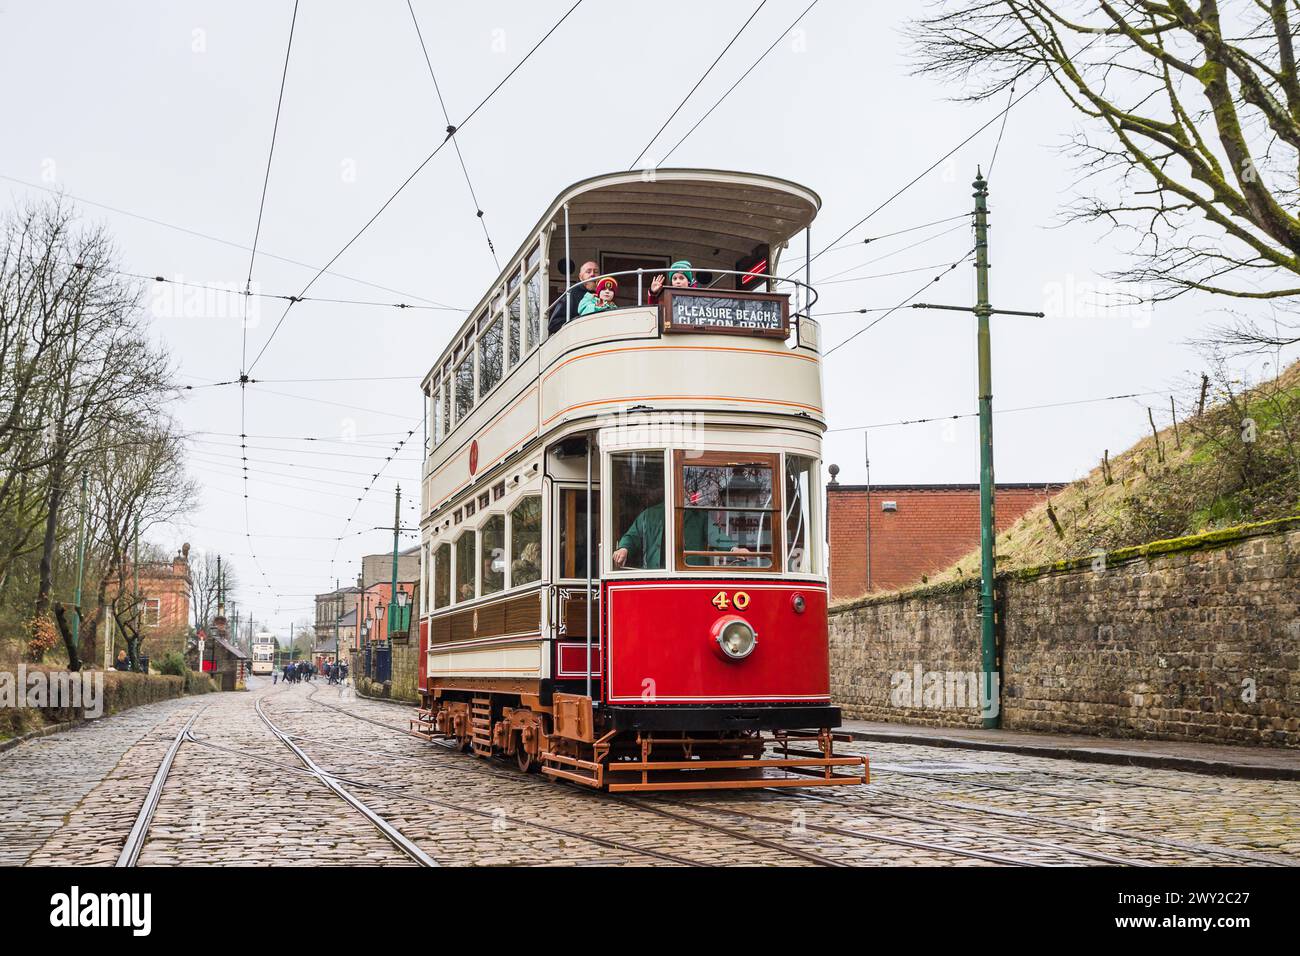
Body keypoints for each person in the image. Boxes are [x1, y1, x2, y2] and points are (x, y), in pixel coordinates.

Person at [611, 501, 748, 569]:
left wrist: (734, 549)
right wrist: (624, 548)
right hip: (656, 578)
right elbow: (632, 536)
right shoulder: (650, 515)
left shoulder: (697, 516)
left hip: (691, 576)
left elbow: (716, 535)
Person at [547, 260, 599, 334]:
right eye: (588, 271)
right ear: (581, 277)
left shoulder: (605, 294)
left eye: (596, 272)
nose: (593, 274)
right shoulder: (572, 293)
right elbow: (554, 324)